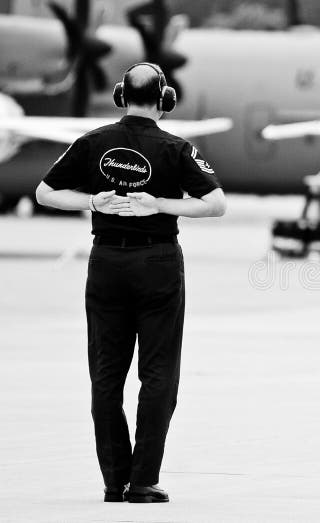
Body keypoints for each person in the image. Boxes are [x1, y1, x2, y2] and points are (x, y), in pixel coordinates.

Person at [35, 63, 226, 503]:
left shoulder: (93, 142)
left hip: (106, 263)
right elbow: (215, 204)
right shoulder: (177, 148)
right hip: (157, 262)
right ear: (165, 100)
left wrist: (92, 201)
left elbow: (45, 192)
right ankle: (142, 481)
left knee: (105, 374)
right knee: (158, 374)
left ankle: (113, 479)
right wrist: (158, 204)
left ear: (121, 95)